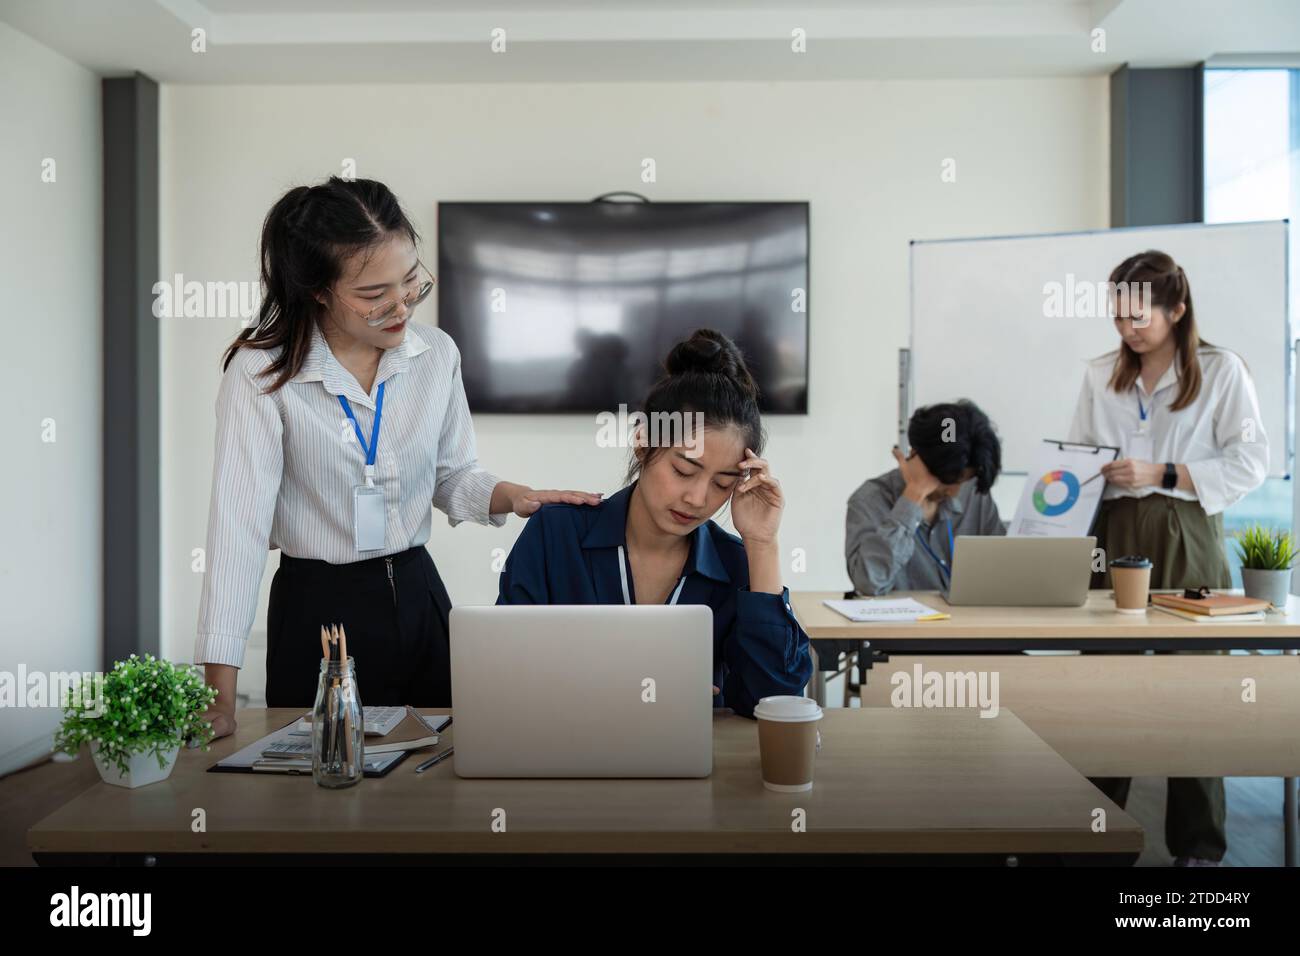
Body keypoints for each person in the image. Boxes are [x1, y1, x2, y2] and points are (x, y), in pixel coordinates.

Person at [194, 177, 601, 739]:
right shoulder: (262, 375)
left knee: (444, 771)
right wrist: (219, 693)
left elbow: (452, 475)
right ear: (317, 289)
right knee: (324, 791)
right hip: (318, 610)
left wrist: (510, 495)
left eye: (411, 282)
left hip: (419, 596)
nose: (400, 306)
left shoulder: (436, 355)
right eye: (372, 295)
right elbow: (238, 533)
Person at [1067, 249, 1268, 866]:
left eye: (1139, 318)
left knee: (1194, 686)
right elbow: (1077, 451)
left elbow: (1250, 461)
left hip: (1187, 525)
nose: (1126, 330)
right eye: (1117, 317)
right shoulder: (1102, 372)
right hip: (1115, 524)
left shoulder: (1220, 370)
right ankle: (1095, 839)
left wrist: (1165, 471)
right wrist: (1086, 469)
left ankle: (1199, 849)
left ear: (1176, 310)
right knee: (1107, 685)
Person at [496, 328, 813, 717]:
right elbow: (504, 675)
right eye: (683, 470)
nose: (697, 499)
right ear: (644, 444)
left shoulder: (736, 564)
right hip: (567, 754)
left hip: (691, 764)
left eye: (722, 482)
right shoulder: (556, 533)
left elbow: (776, 703)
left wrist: (763, 545)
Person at [845, 400, 1005, 596]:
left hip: (972, 624)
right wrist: (912, 498)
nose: (954, 491)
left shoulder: (974, 495)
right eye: (948, 479)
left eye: (964, 479)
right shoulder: (870, 500)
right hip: (900, 626)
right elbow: (868, 585)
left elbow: (1004, 571)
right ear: (916, 456)